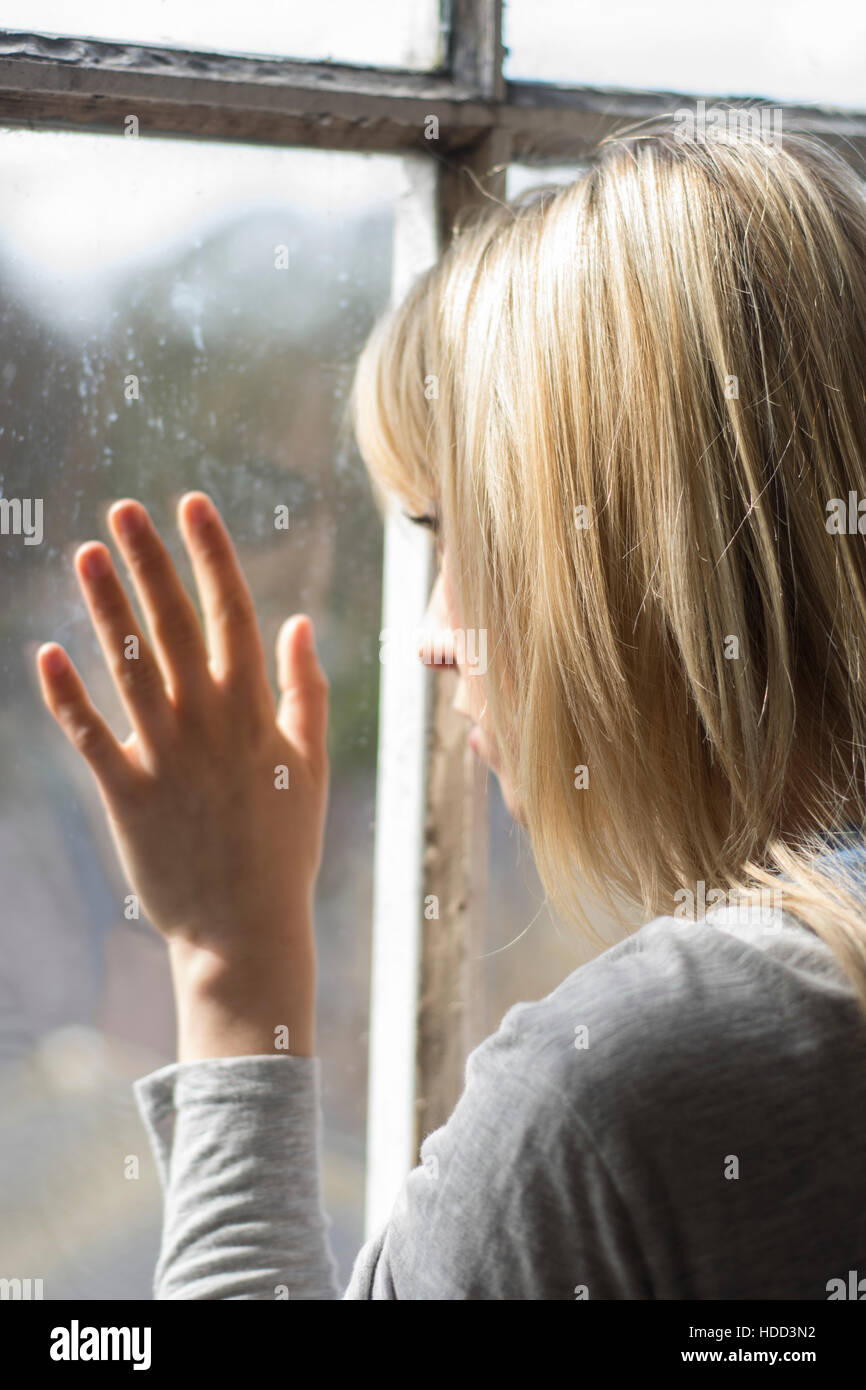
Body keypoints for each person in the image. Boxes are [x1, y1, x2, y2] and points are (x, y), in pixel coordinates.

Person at [35, 120, 866, 1299]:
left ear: (626, 557)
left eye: (456, 529)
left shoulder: (608, 1100)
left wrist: (231, 965)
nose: (429, 636)